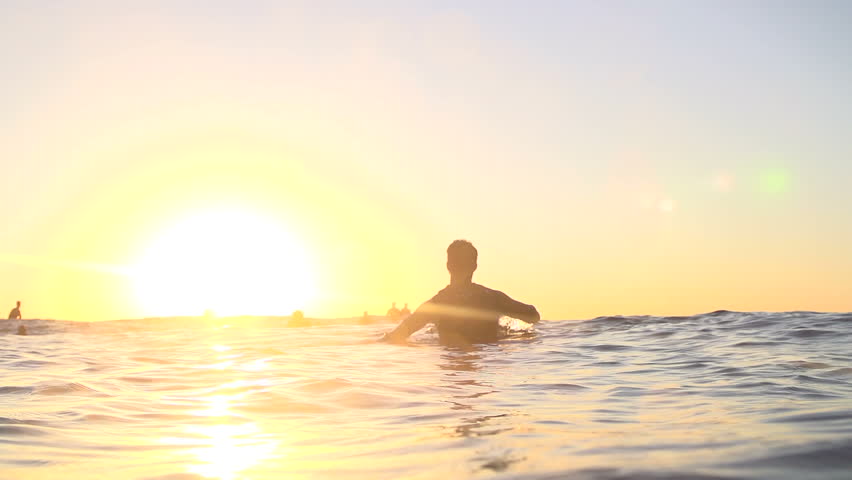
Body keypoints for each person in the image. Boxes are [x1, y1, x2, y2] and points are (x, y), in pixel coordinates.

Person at [382, 240, 540, 345]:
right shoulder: (493, 298)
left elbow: (395, 337)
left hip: (450, 372)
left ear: (448, 265)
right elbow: (533, 315)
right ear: (475, 266)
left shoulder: (435, 305)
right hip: (487, 366)